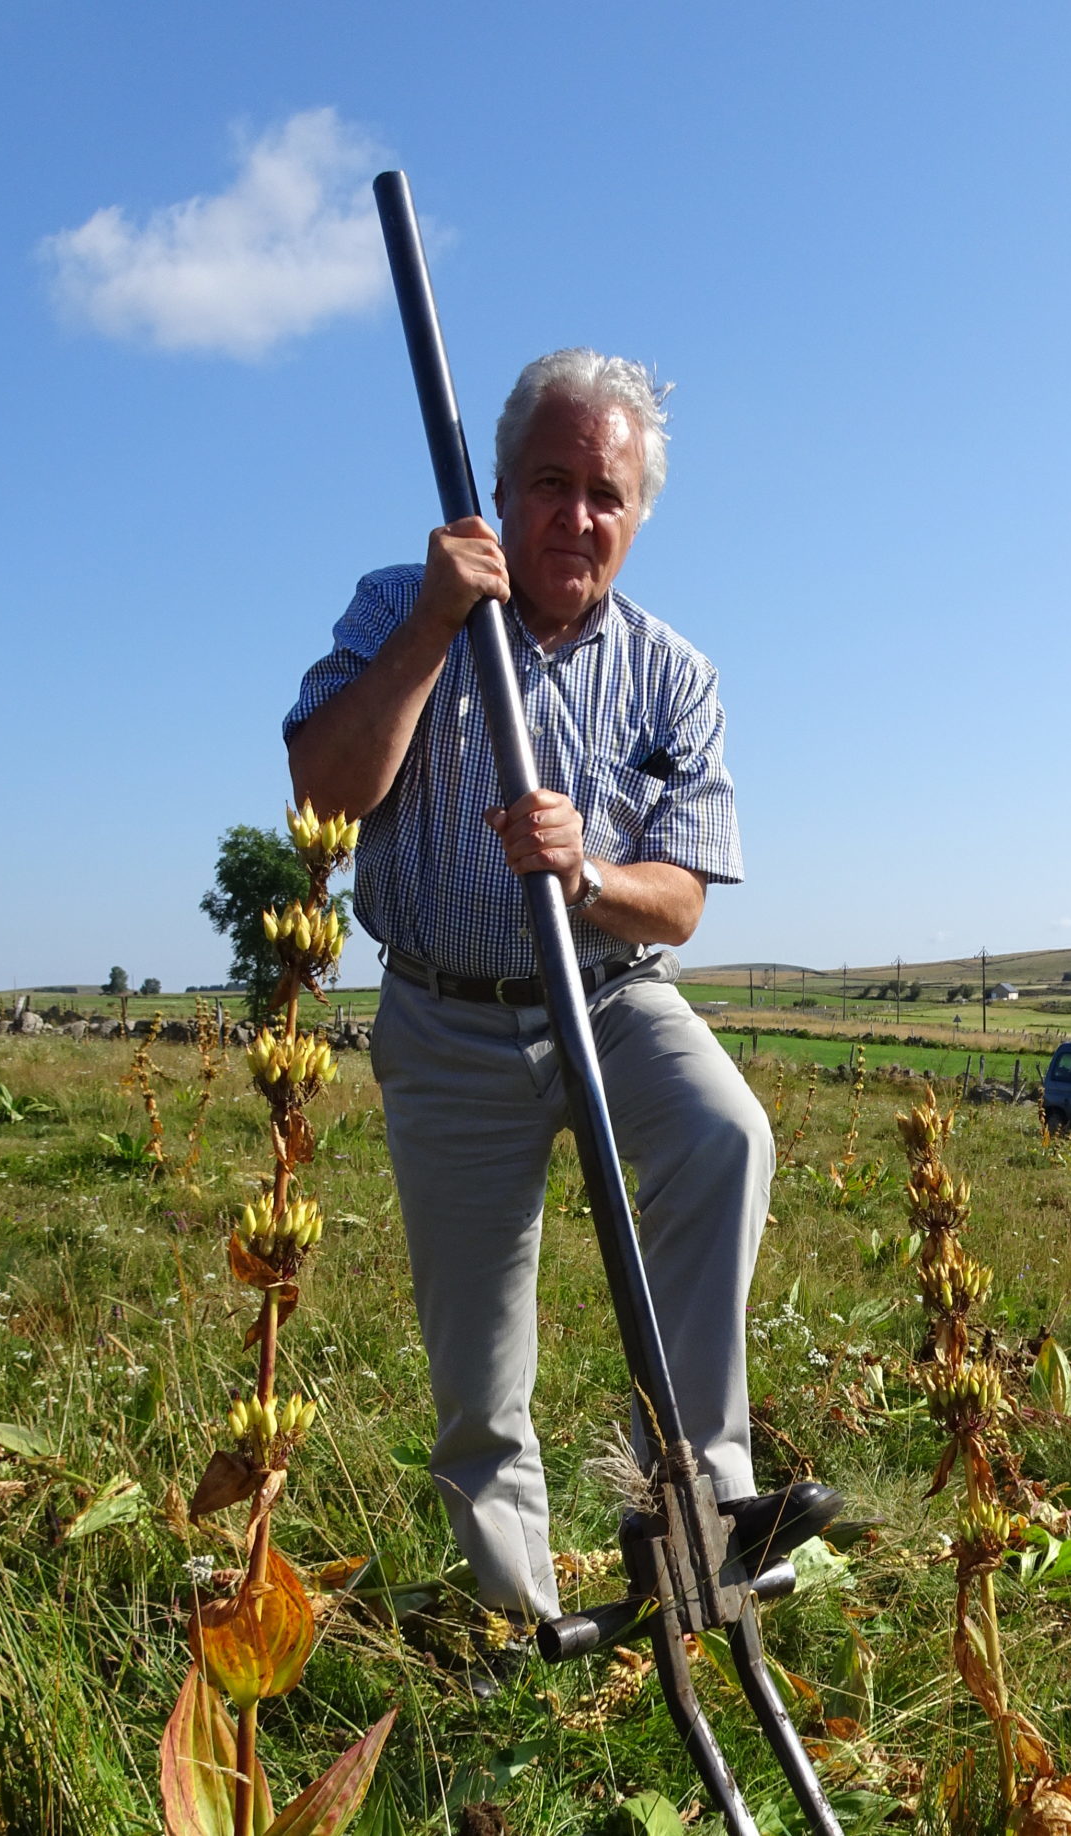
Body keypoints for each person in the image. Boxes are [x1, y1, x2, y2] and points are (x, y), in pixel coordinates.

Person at [283, 349, 774, 1650]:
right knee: (480, 1357)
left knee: (724, 1134)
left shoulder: (674, 674)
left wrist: (588, 872)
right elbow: (324, 793)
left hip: (613, 994)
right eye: (550, 483)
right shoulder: (400, 605)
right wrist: (434, 626)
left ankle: (698, 1512)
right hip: (446, 1019)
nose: (576, 516)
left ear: (638, 516)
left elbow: (681, 901)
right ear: (499, 490)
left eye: (606, 494)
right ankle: (518, 1624)